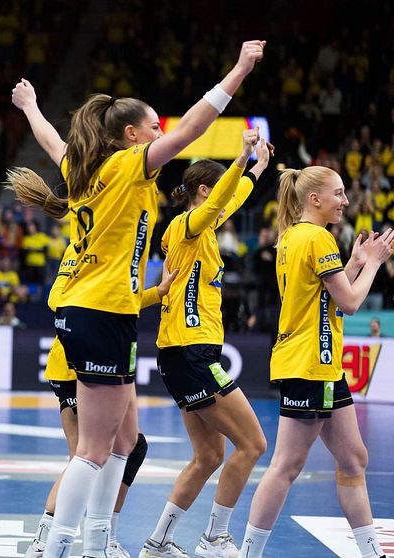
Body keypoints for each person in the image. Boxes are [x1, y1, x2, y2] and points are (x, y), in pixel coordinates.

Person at [6, 40, 265, 558]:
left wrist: (31, 107)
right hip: (99, 310)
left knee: (125, 445)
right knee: (95, 450)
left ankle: (98, 544)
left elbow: (55, 143)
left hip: (105, 311)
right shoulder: (128, 167)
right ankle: (57, 547)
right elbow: (192, 128)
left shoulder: (86, 172)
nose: (160, 136)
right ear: (130, 135)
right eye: (153, 128)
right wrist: (238, 69)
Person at [238, 168, 394, 558]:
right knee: (286, 466)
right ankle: (249, 554)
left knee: (354, 459)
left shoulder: (293, 235)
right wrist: (373, 263)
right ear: (315, 200)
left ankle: (372, 552)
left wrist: (354, 263)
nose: (345, 200)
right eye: (338, 193)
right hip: (310, 363)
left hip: (320, 365)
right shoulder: (319, 238)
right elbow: (350, 302)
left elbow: (323, 294)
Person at [139, 132, 271, 558]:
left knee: (209, 456)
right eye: (217, 195)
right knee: (253, 445)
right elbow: (218, 204)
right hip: (191, 351)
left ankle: (158, 542)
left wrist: (257, 170)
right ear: (202, 191)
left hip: (183, 353)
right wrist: (243, 158)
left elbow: (228, 202)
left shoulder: (201, 227)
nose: (225, 206)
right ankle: (214, 537)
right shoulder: (188, 225)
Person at [25, 263, 175, 558]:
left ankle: (64, 540)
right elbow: (57, 300)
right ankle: (52, 541)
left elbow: (118, 301)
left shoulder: (98, 246)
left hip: (80, 357)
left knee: (108, 451)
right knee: (91, 455)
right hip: (77, 362)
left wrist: (157, 293)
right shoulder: (85, 248)